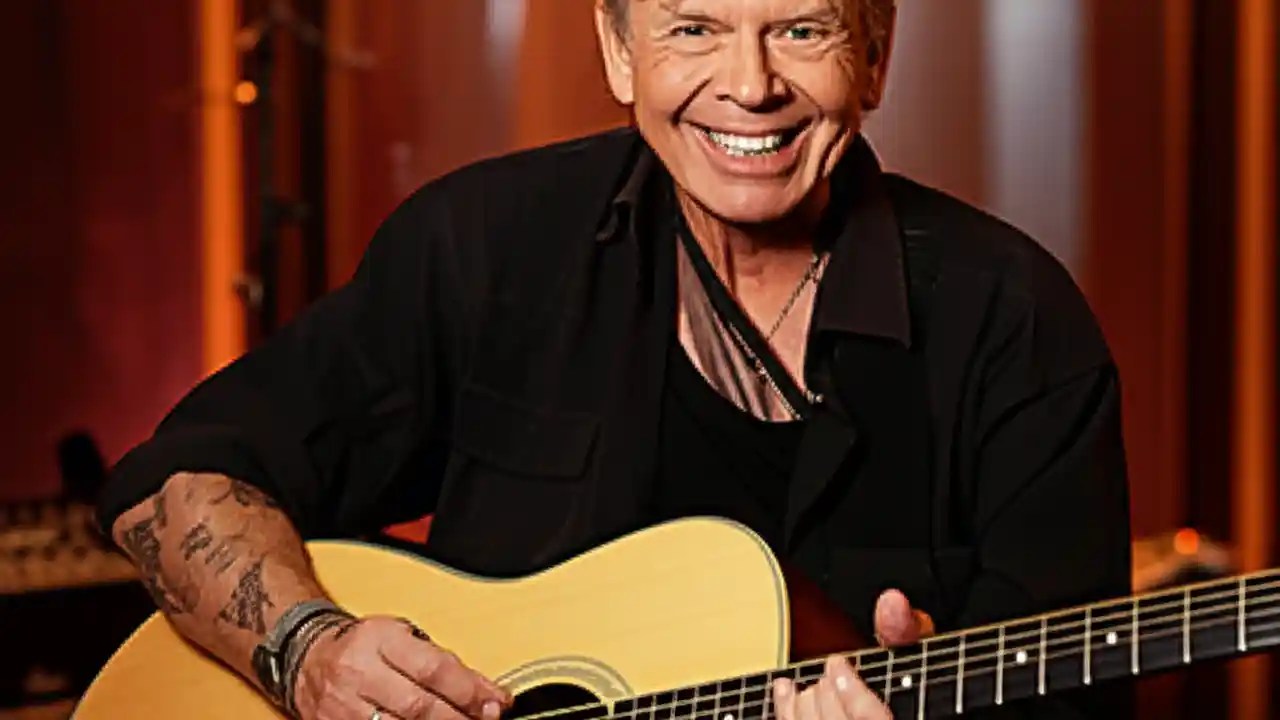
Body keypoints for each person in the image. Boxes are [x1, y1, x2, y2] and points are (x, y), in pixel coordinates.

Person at [97, 0, 1133, 718]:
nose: (748, 85)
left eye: (801, 29)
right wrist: (305, 652)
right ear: (618, 49)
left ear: (874, 53)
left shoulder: (1013, 322)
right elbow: (176, 484)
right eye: (693, 28)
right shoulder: (487, 246)